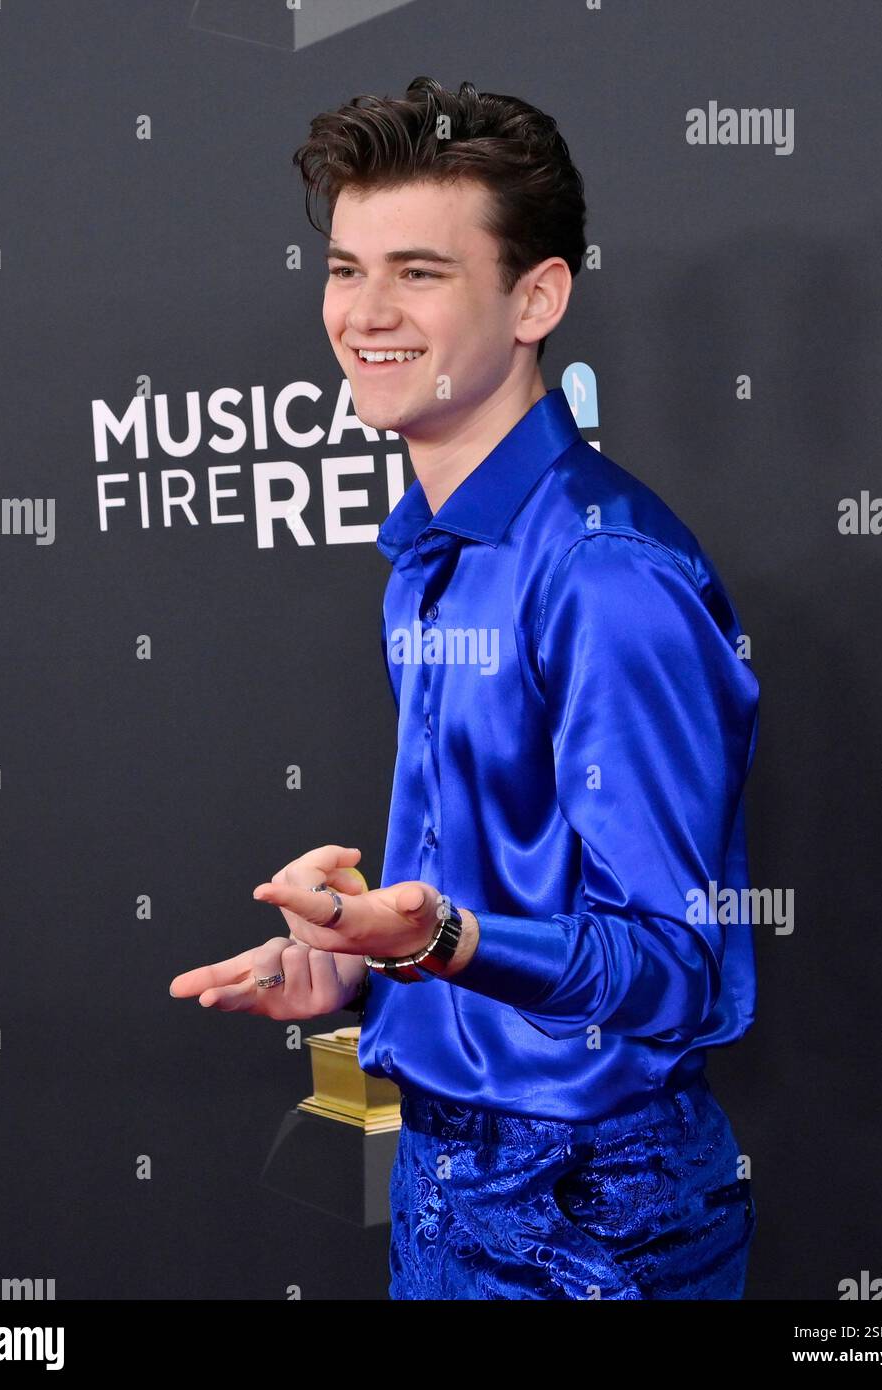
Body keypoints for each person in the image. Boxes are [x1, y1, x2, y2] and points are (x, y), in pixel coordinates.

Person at [170, 76, 760, 1300]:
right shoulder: (432, 551)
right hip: (446, 1177)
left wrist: (437, 936)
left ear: (535, 296)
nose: (365, 315)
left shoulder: (604, 573)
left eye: (419, 273)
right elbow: (501, 900)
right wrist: (362, 961)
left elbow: (672, 967)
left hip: (599, 1219)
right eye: (345, 269)